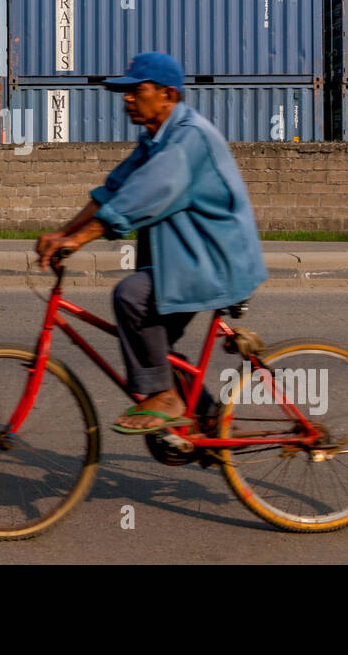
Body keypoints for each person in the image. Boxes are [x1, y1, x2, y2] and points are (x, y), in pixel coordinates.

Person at [36, 52, 267, 435]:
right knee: (155, 348)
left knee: (131, 297)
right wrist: (63, 234)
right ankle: (206, 420)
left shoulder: (187, 138)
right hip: (188, 259)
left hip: (214, 261)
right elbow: (112, 192)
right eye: (124, 92)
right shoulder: (154, 139)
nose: (126, 98)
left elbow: (142, 196)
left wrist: (78, 240)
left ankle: (167, 398)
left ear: (167, 95)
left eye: (136, 90)